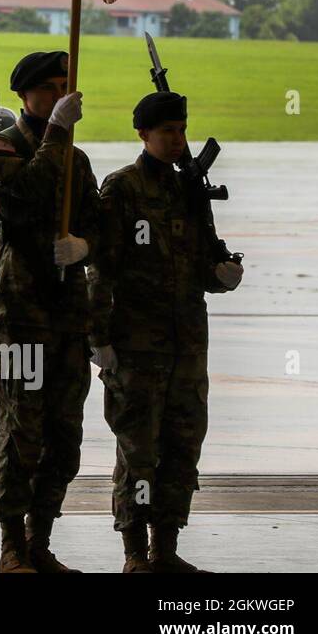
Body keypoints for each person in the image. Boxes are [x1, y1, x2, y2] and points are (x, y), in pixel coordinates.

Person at [88, 90, 243, 573]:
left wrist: (221, 276)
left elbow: (200, 265)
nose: (177, 140)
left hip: (187, 345)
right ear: (143, 135)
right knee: (139, 452)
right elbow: (102, 268)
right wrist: (99, 338)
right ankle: (135, 552)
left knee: (182, 447)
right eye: (166, 132)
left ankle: (166, 549)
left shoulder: (189, 192)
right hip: (137, 346)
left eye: (181, 130)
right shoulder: (122, 189)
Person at [0, 50, 99, 573]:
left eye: (63, 87)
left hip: (68, 313)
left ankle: (39, 538)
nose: (57, 96)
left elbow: (100, 223)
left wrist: (84, 247)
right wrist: (57, 136)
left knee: (64, 437)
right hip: (18, 313)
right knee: (20, 434)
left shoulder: (77, 158)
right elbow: (22, 196)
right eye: (48, 88)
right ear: (25, 94)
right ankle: (10, 544)